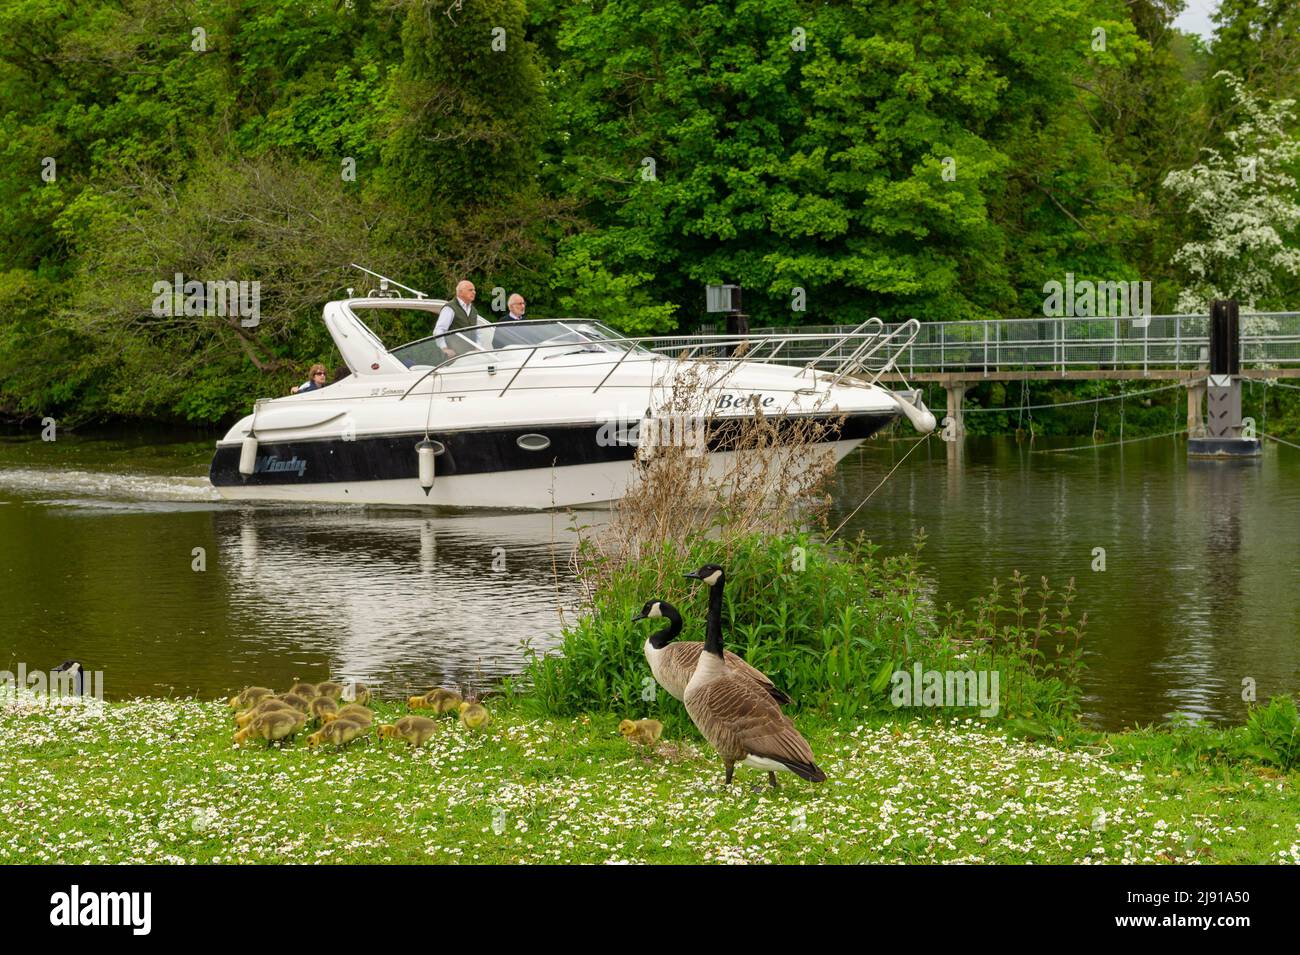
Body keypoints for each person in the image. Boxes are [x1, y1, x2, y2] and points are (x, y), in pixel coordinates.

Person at [433, 280, 487, 359]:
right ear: (460, 292)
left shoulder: (473, 310)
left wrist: (478, 347)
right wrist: (444, 348)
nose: (474, 292)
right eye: (470, 290)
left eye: (474, 290)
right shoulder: (450, 308)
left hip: (471, 356)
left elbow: (478, 332)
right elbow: (439, 330)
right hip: (453, 357)